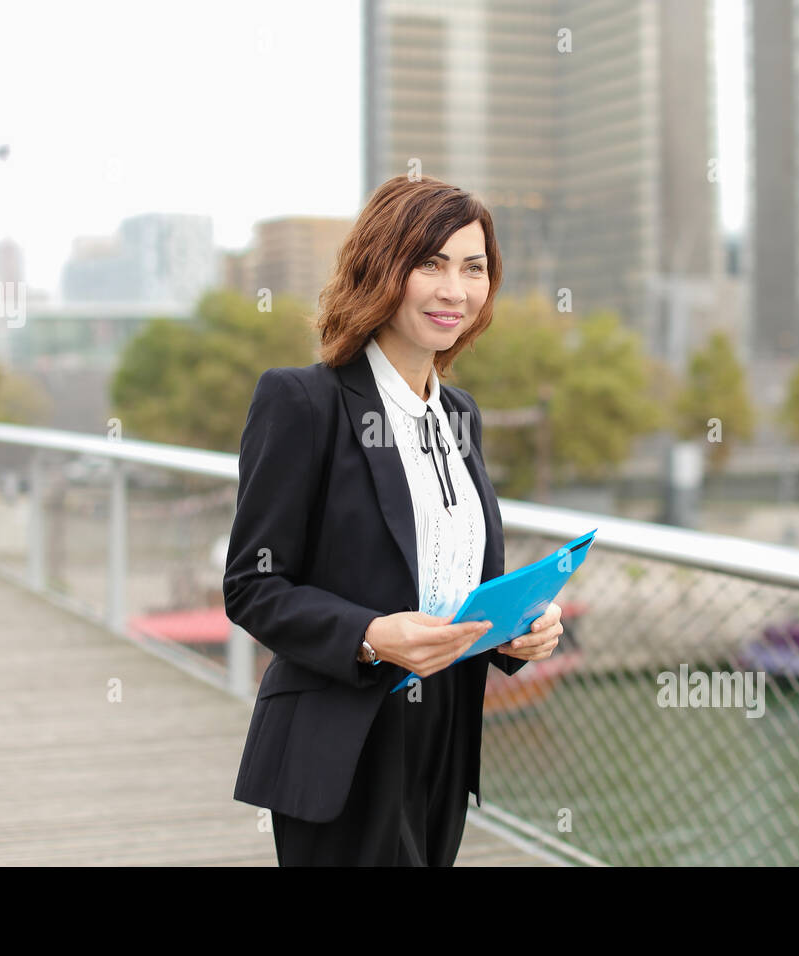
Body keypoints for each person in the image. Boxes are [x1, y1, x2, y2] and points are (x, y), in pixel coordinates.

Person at [222, 175, 563, 866]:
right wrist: (372, 636)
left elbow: (461, 581)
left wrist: (517, 630)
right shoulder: (302, 403)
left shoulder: (459, 414)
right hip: (343, 738)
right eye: (430, 263)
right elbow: (253, 585)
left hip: (445, 731)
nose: (455, 290)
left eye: (473, 268)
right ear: (382, 268)